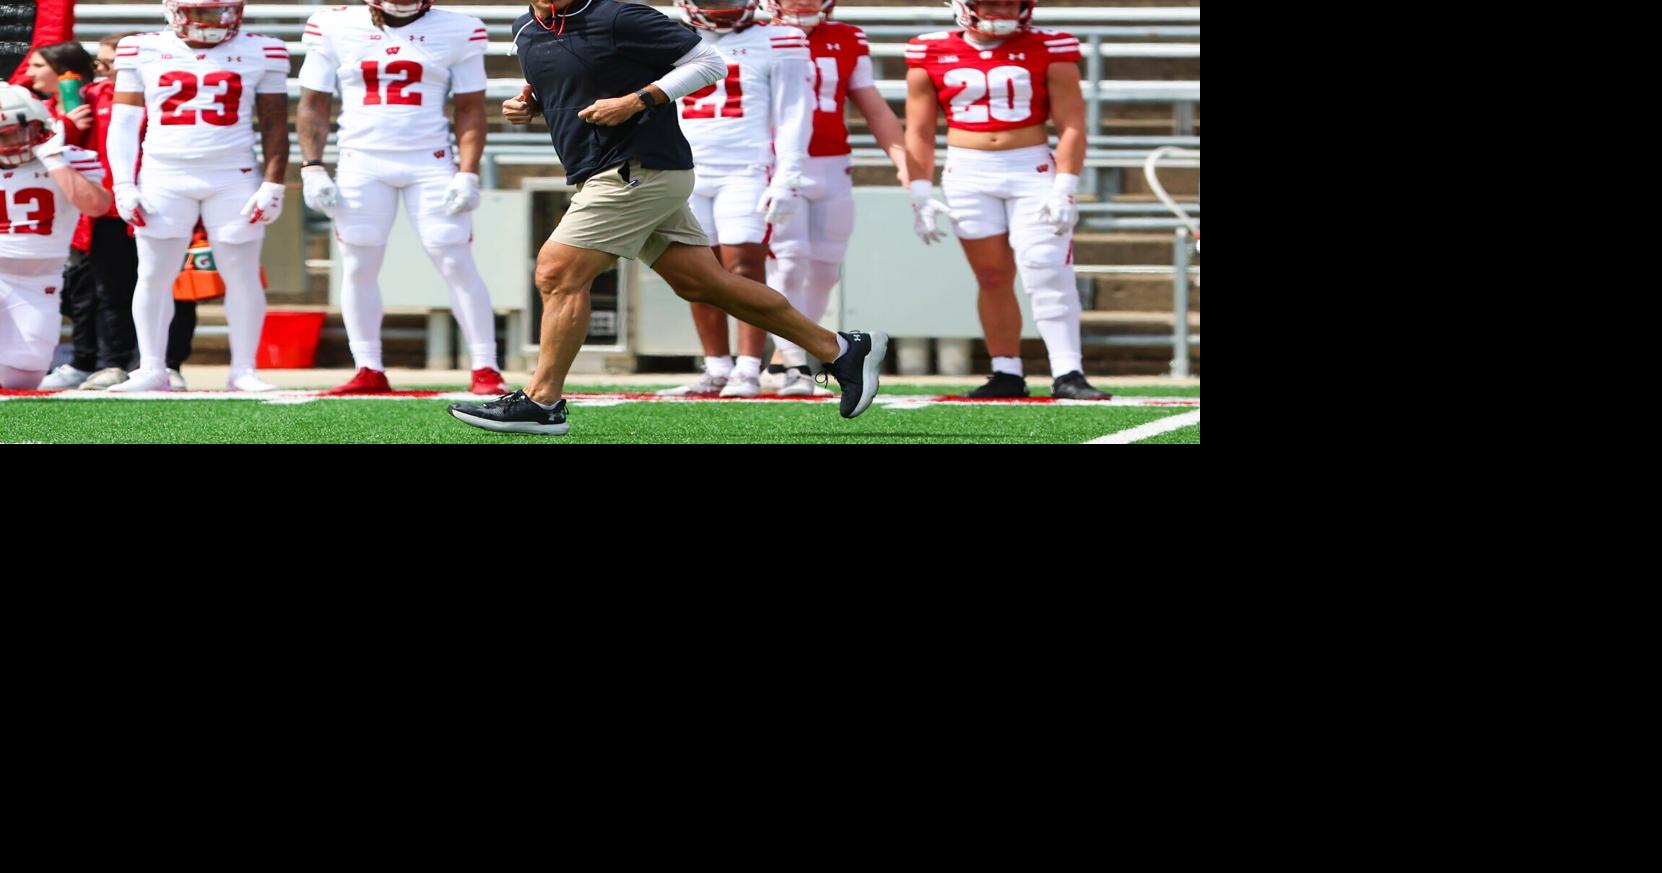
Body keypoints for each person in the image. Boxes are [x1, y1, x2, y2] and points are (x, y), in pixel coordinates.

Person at [446, 0, 886, 436]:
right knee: (704, 283)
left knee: (557, 272)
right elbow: (576, 82)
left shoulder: (618, 16)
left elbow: (710, 62)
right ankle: (842, 349)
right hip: (611, 169)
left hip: (636, 168)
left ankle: (542, 401)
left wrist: (637, 101)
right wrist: (534, 106)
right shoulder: (526, 28)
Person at [298, 0, 509, 396]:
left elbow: (470, 107)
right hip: (360, 160)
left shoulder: (458, 27)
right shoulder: (334, 24)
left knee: (454, 258)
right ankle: (368, 367)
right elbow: (313, 102)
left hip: (429, 161)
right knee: (358, 263)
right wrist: (311, 165)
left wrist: (467, 171)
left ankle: (486, 367)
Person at [905, 0, 1110, 400]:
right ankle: (1006, 371)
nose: (1003, 10)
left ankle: (1068, 371)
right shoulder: (928, 48)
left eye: (1010, 3)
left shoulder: (1050, 46)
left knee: (1046, 269)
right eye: (992, 3)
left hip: (1029, 166)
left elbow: (1072, 123)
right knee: (992, 276)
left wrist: (1065, 184)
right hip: (966, 170)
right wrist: (919, 190)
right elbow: (919, 129)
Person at [106, 0, 290, 393]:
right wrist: (123, 182)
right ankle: (152, 367)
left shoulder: (264, 49)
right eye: (200, 12)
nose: (210, 22)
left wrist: (273, 183)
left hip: (233, 173)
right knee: (154, 273)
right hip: (163, 172)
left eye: (219, 12)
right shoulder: (140, 47)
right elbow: (123, 120)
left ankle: (244, 368)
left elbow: (275, 120)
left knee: (241, 273)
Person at [655, 0, 812, 399]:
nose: (723, 6)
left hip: (746, 167)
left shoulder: (780, 38)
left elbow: (794, 111)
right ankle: (716, 367)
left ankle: (748, 368)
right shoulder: (665, 35)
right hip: (685, 166)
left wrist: (787, 177)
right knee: (695, 269)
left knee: (743, 264)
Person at [761, 0, 908, 396]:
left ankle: (793, 357)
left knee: (826, 266)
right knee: (789, 262)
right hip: (776, 162)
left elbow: (873, 107)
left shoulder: (847, 37)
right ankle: (788, 360)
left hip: (832, 163)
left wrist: (902, 160)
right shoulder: (756, 33)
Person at [0, 85, 113, 389]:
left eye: (17, 131)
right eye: (2, 135)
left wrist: (54, 162)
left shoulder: (68, 157)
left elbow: (97, 205)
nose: (11, 142)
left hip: (39, 280)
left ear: (40, 124)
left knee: (24, 374)